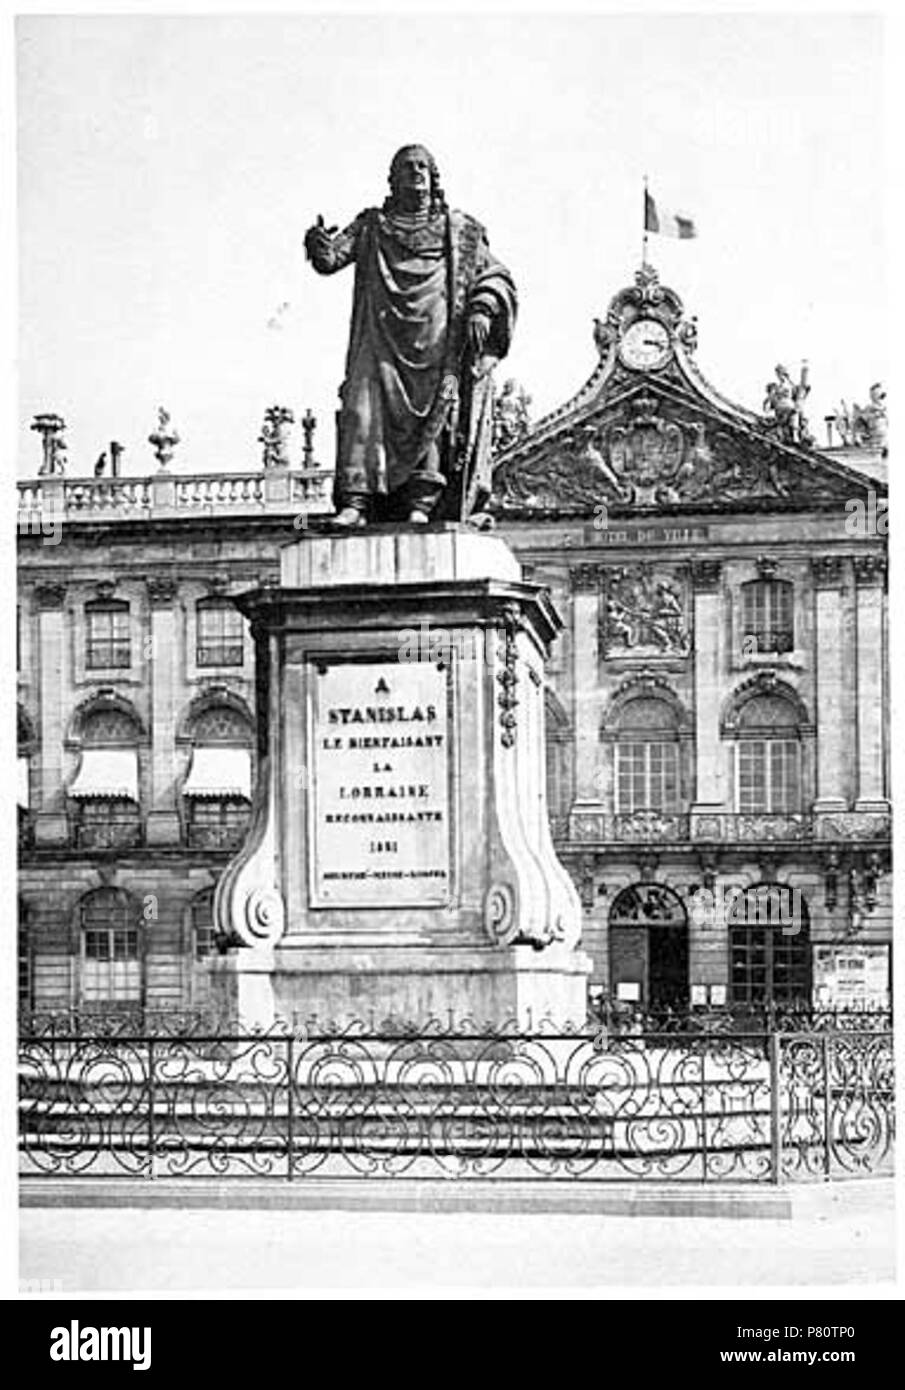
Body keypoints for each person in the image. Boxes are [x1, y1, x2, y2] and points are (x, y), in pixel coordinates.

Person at [305, 145, 517, 526]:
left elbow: (495, 274)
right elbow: (331, 259)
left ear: (434, 177)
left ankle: (422, 504)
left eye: (422, 166)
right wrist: (318, 243)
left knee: (438, 415)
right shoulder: (372, 225)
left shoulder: (461, 230)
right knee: (360, 409)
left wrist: (483, 307)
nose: (415, 172)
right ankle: (356, 501)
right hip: (380, 337)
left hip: (440, 344)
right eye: (406, 167)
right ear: (393, 178)